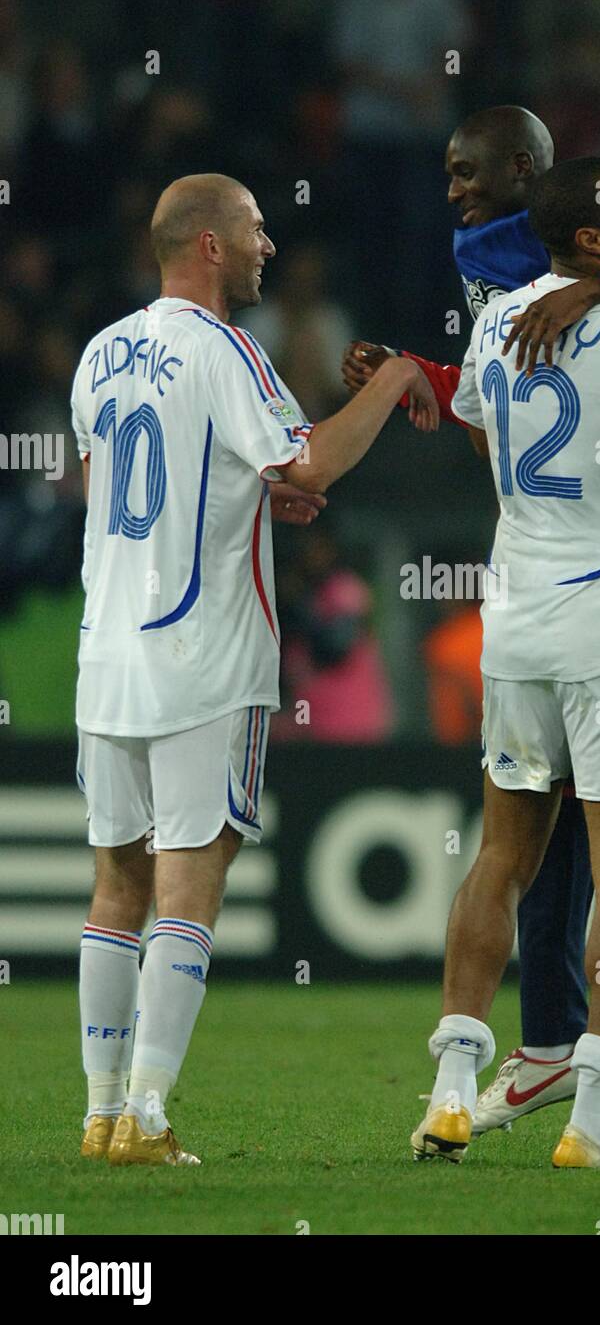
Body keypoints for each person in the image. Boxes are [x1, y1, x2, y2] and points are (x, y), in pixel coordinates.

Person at [343, 106, 600, 1159]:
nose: (454, 193)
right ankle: (597, 1107)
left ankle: (460, 1073)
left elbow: (494, 416)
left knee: (502, 851)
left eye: (468, 173)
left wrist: (585, 294)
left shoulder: (503, 309)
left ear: (532, 187)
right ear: (586, 228)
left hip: (518, 619)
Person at [71, 172, 436, 1167]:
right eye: (257, 230)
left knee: (117, 883)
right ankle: (146, 1117)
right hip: (204, 656)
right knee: (189, 885)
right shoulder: (229, 349)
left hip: (107, 653)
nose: (270, 244)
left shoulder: (99, 355)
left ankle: (102, 1111)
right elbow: (311, 462)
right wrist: (394, 382)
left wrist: (243, 495)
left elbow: (117, 498)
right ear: (212, 248)